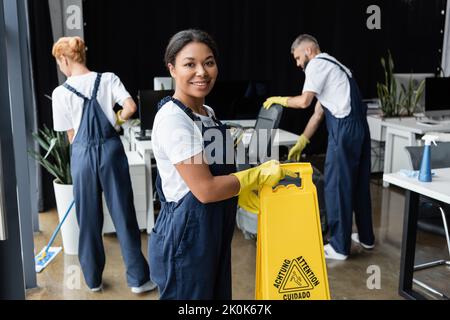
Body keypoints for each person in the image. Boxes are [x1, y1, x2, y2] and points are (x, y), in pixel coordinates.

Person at [149, 29, 292, 300]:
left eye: (209, 62)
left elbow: (220, 172)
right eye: (190, 64)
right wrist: (254, 177)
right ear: (172, 69)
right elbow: (206, 189)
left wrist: (243, 187)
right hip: (187, 236)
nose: (201, 72)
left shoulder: (207, 113)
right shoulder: (174, 120)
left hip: (213, 231)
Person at [51, 36, 156, 293]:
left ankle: (93, 280)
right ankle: (138, 280)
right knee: (123, 213)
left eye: (59, 62)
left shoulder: (60, 92)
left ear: (64, 59)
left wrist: (84, 149)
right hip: (111, 150)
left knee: (87, 217)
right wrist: (115, 122)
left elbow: (70, 134)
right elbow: (131, 107)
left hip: (82, 155)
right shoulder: (108, 79)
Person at [263, 34, 375, 260]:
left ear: (308, 50)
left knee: (336, 185)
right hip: (360, 129)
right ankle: (366, 238)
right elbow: (319, 112)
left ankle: (338, 246)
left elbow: (305, 102)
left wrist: (279, 99)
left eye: (297, 57)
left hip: (343, 131)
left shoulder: (316, 64)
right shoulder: (336, 65)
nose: (297, 64)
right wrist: (303, 140)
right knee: (360, 184)